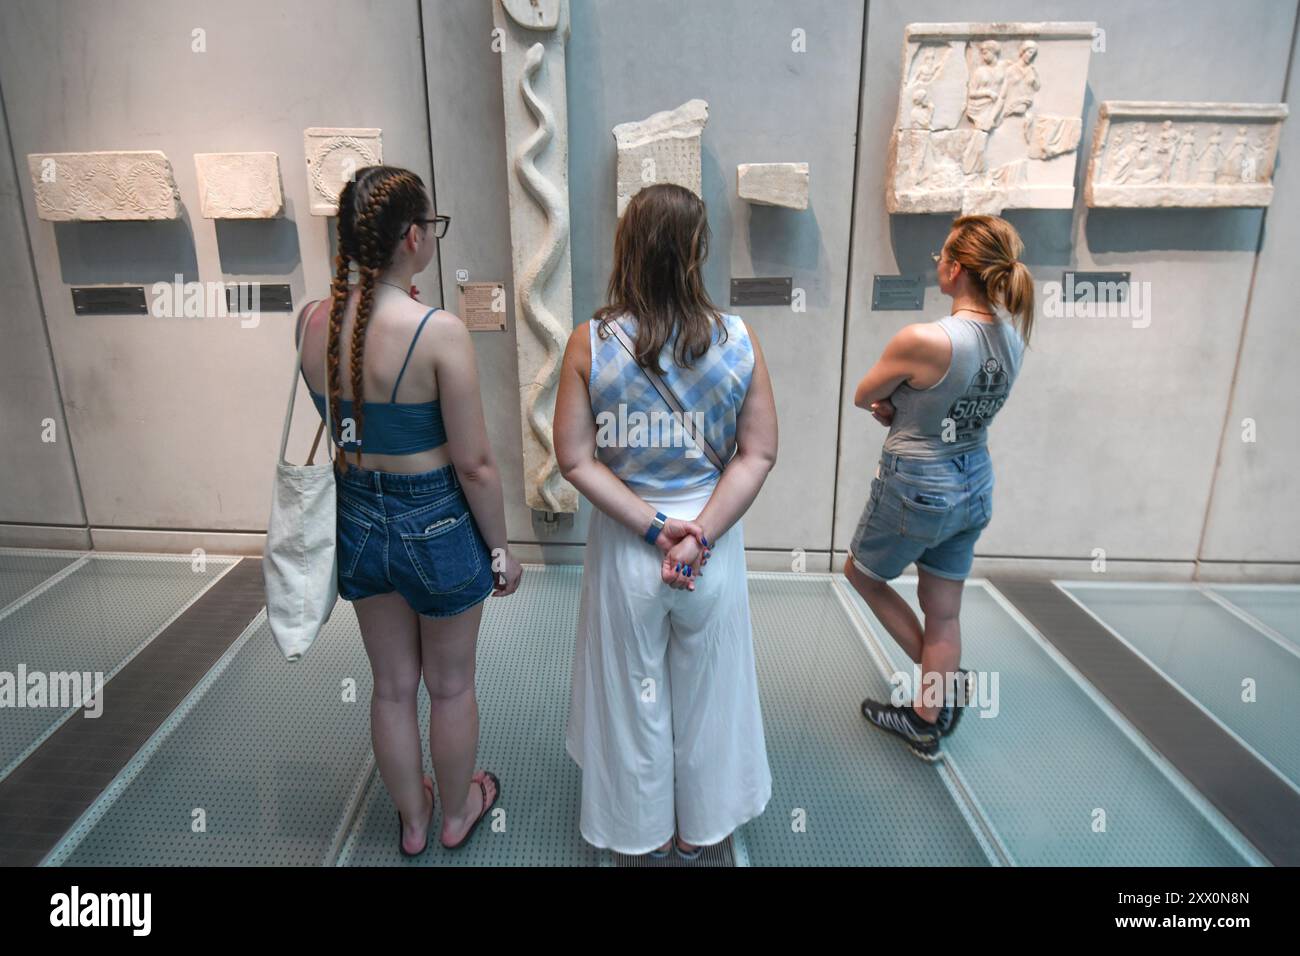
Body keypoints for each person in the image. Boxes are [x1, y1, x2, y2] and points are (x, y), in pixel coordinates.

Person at [293, 165, 522, 854]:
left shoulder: (308, 322)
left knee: (392, 687)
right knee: (450, 687)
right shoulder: (439, 332)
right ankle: (457, 815)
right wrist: (502, 550)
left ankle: (414, 824)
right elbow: (476, 465)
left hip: (357, 518)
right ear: (415, 236)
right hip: (439, 522)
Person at [553, 183, 777, 859]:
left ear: (626, 248)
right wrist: (698, 531)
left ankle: (635, 833)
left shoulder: (590, 343)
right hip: (711, 548)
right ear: (698, 251)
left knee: (631, 696)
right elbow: (758, 452)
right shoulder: (738, 339)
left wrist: (656, 530)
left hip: (630, 550)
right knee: (710, 689)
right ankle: (697, 832)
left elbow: (575, 460)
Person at [845, 214, 1031, 761]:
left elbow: (864, 394)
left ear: (954, 269)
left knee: (861, 573)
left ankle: (940, 687)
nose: (937, 265)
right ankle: (927, 717)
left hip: (919, 484)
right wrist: (906, 406)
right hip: (973, 481)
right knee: (943, 610)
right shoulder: (1013, 337)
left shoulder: (926, 339)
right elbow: (957, 403)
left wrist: (892, 407)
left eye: (941, 257)